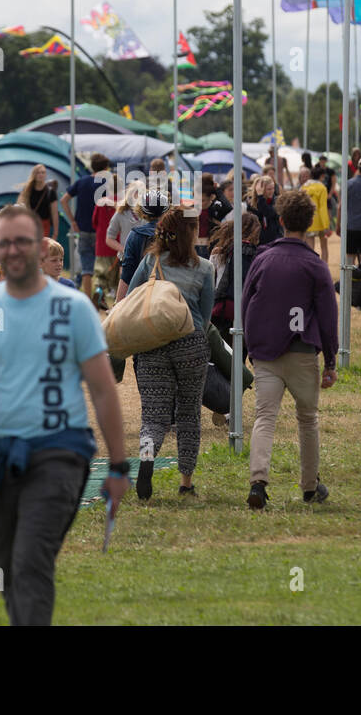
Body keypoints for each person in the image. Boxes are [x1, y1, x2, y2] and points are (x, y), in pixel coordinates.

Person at [0, 205, 128, 626]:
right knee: (8, 563)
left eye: (23, 242)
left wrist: (120, 466)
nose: (13, 250)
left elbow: (104, 390)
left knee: (32, 559)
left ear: (39, 246)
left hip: (59, 452)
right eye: (5, 243)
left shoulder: (74, 308)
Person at [242, 189, 336, 510]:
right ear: (310, 224)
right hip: (302, 352)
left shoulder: (262, 259)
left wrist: (250, 348)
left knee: (264, 418)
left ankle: (258, 481)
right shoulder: (315, 265)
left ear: (280, 221)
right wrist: (332, 360)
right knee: (307, 420)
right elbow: (327, 317)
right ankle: (309, 487)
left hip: (266, 352)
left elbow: (246, 305)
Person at [126, 206, 214, 500]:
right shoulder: (204, 267)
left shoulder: (150, 261)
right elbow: (205, 315)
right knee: (189, 414)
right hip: (190, 344)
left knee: (153, 416)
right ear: (190, 233)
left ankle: (147, 457)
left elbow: (130, 300)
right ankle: (186, 482)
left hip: (153, 344)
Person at [208, 211, 262, 357]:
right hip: (246, 312)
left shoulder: (218, 252)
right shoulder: (257, 255)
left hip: (221, 310)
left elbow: (212, 282)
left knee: (223, 357)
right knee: (241, 356)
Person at [59, 152, 111, 299]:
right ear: (105, 168)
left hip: (82, 229)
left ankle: (88, 300)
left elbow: (64, 200)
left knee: (87, 269)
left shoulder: (82, 182)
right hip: (102, 231)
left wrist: (73, 221)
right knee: (103, 267)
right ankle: (100, 297)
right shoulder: (107, 184)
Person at [116, 190, 170, 302]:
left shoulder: (135, 235)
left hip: (140, 295)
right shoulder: (175, 234)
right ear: (167, 211)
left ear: (141, 211)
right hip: (169, 294)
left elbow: (127, 273)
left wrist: (118, 304)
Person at [89, 178, 118, 309]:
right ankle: (117, 301)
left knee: (100, 274)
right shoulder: (123, 202)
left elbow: (94, 222)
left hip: (102, 243)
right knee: (117, 277)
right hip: (117, 244)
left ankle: (98, 292)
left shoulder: (100, 202)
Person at [103, 181, 144, 260]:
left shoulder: (149, 213)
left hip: (145, 262)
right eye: (138, 192)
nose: (140, 196)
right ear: (131, 194)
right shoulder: (121, 213)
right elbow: (109, 239)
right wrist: (125, 250)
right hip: (127, 261)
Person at [17, 164, 59, 239]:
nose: (40, 175)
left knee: (41, 248)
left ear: (45, 175)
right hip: (29, 224)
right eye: (38, 172)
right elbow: (20, 206)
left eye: (43, 172)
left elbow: (54, 213)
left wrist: (55, 233)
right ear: (34, 175)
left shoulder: (50, 192)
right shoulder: (28, 190)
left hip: (44, 225)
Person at [300, 166, 331, 263]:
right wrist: (326, 225)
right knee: (324, 247)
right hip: (320, 222)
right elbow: (322, 207)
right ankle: (324, 267)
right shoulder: (322, 188)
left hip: (308, 221)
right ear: (322, 176)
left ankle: (310, 268)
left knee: (310, 248)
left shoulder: (303, 187)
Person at [249, 175, 282, 245]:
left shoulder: (276, 201)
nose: (272, 191)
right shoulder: (252, 203)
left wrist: (261, 197)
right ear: (260, 190)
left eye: (273, 188)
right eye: (269, 189)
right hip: (259, 241)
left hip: (274, 240)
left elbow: (269, 213)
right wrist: (260, 197)